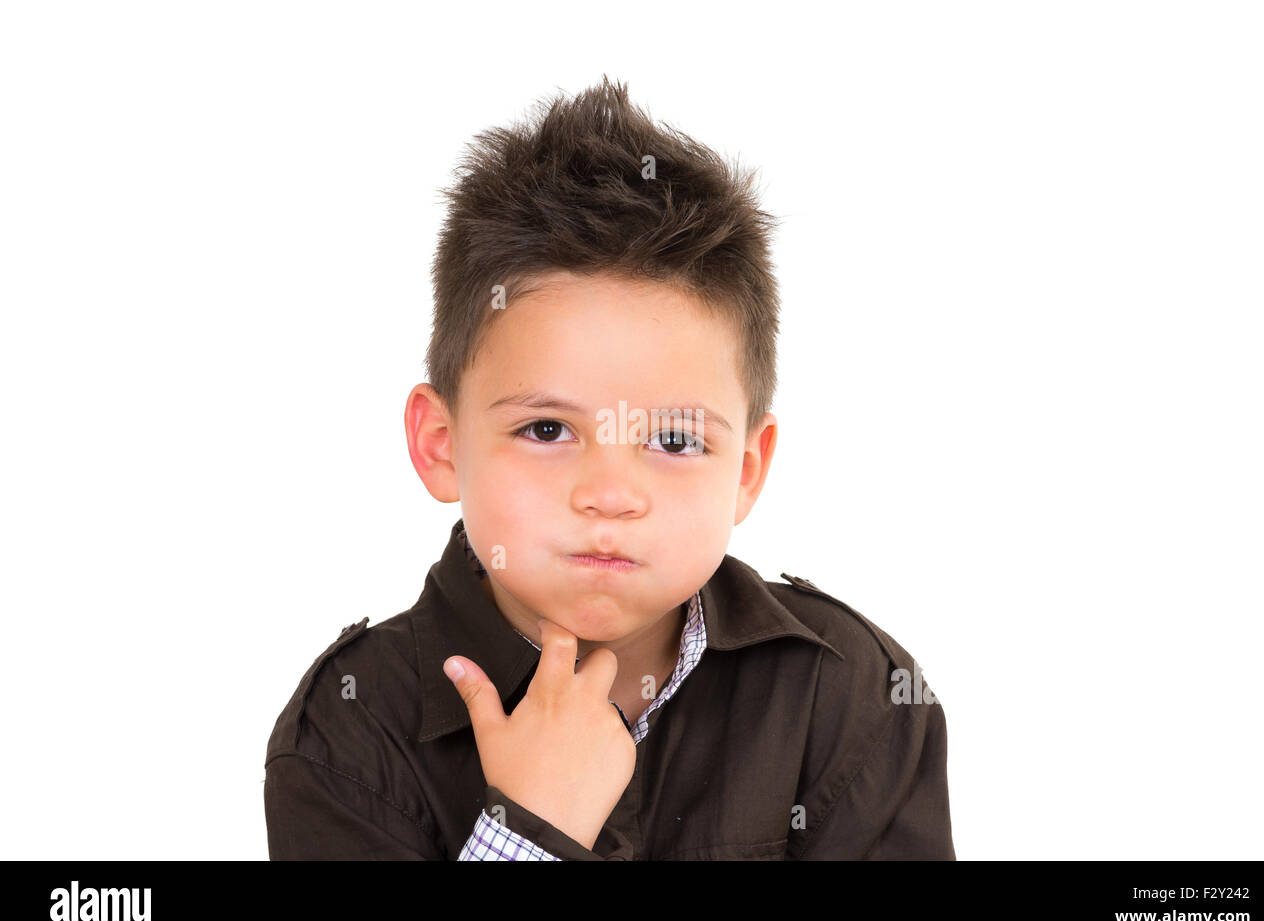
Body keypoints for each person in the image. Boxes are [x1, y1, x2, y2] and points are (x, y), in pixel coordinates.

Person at [263, 76, 955, 860]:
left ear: (748, 470)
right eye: (548, 427)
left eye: (674, 440)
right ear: (441, 442)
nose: (610, 495)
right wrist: (530, 832)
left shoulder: (854, 696)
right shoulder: (349, 734)